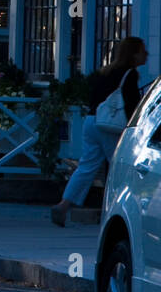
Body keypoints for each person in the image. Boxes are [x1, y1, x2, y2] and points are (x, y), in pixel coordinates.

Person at [51, 36, 148, 227]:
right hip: (110, 126)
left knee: (86, 166)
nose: (146, 54)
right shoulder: (130, 74)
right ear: (134, 54)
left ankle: (64, 205)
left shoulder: (104, 72)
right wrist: (134, 128)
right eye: (143, 51)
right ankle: (115, 212)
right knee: (120, 168)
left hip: (92, 120)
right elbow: (131, 104)